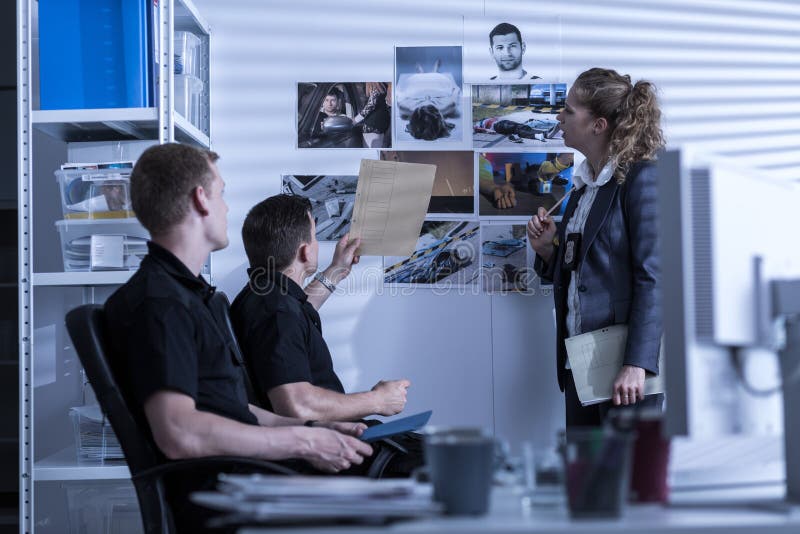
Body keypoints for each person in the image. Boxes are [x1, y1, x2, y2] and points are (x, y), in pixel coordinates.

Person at [104, 145, 373, 502]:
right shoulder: (163, 304)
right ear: (202, 199)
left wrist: (316, 427)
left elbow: (234, 408)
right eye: (222, 194)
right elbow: (179, 432)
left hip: (252, 475)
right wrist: (304, 440)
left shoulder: (195, 297)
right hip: (233, 494)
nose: (227, 207)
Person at [527, 67, 666, 427]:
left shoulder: (641, 178)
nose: (559, 116)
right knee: (585, 480)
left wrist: (638, 363)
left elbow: (656, 278)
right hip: (583, 363)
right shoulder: (584, 183)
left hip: (626, 372)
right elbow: (584, 267)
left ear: (598, 125)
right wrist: (547, 251)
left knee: (630, 481)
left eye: (569, 110)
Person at [231, 194, 411, 422]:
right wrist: (378, 400)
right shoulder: (278, 313)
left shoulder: (264, 295)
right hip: (329, 444)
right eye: (315, 237)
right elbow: (297, 406)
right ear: (306, 251)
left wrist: (337, 269)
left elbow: (300, 309)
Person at [395, 59, 461, 141]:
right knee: (434, 78)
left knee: (421, 81)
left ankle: (422, 72)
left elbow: (399, 92)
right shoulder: (446, 107)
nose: (427, 100)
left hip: (419, 86)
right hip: (436, 85)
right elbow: (456, 90)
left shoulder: (406, 108)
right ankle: (434, 71)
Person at [353, 82, 390, 148]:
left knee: (370, 153)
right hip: (380, 123)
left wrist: (354, 120)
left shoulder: (374, 83)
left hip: (372, 124)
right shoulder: (381, 83)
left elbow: (371, 105)